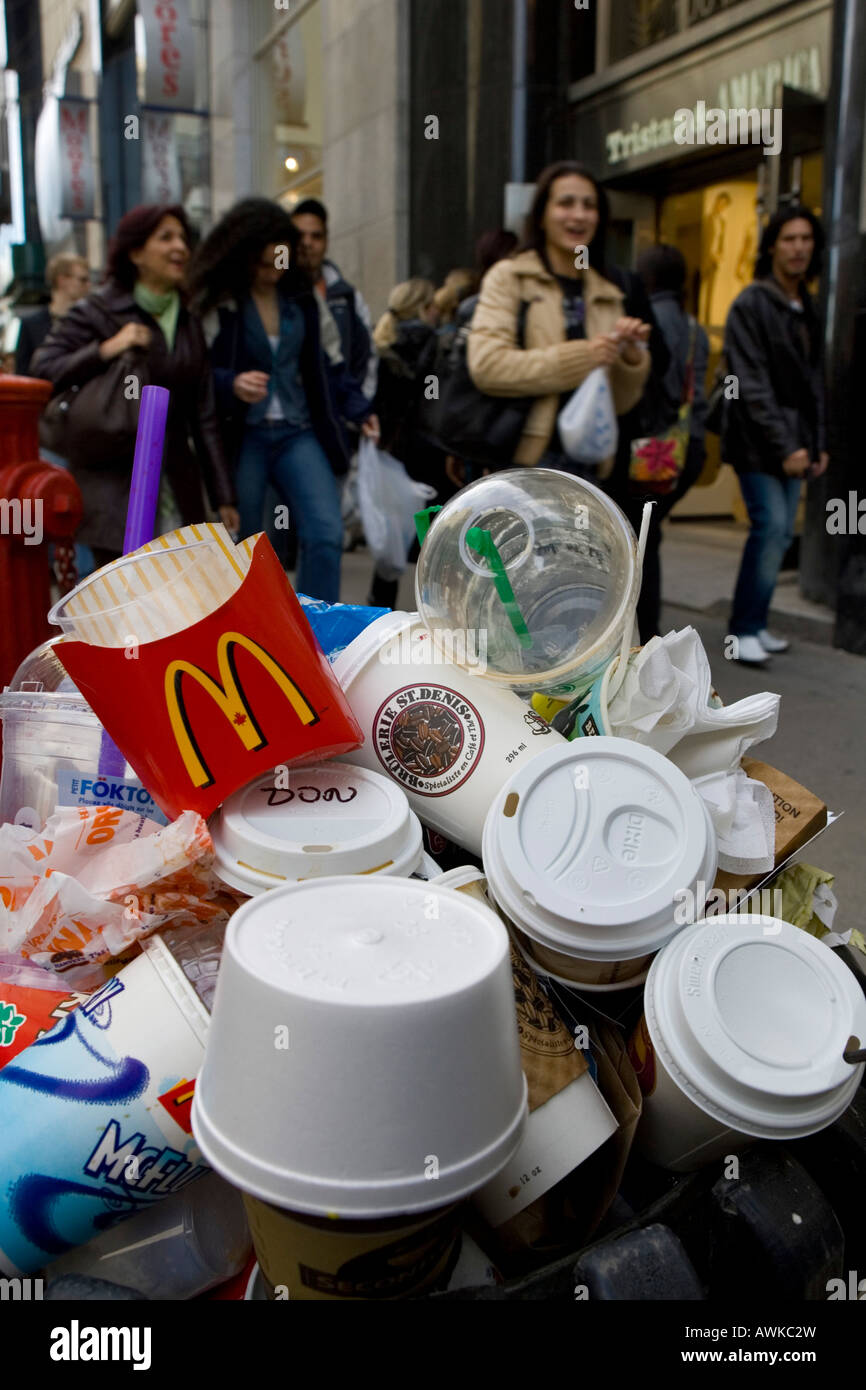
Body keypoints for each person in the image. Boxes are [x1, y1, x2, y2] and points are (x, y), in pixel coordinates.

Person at [188, 198, 379, 604]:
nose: (273, 270)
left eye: (280, 259)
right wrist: (231, 383)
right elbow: (196, 371)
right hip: (245, 435)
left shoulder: (304, 299)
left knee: (326, 531)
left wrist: (360, 410)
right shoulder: (223, 302)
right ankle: (249, 625)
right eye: (263, 262)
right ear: (244, 256)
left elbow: (332, 363)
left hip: (298, 431)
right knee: (245, 543)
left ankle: (315, 624)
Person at [31, 205, 237, 569]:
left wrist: (223, 496)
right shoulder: (98, 310)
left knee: (180, 594)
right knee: (124, 599)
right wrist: (107, 348)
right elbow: (43, 369)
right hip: (115, 490)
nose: (180, 247)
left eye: (183, 239)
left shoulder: (188, 321)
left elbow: (204, 416)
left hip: (177, 488)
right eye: (166, 238)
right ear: (136, 252)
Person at [468, 162, 652, 477]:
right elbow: (487, 366)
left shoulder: (607, 293)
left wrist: (631, 359)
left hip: (589, 465)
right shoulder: (510, 277)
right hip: (523, 464)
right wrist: (585, 357)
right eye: (566, 203)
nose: (579, 215)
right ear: (541, 215)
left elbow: (618, 404)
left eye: (589, 206)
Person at [722, 204, 827, 666]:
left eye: (806, 239)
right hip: (757, 441)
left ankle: (756, 623)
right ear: (771, 247)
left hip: (796, 442)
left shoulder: (808, 306)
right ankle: (743, 629)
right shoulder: (752, 303)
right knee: (770, 528)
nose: (798, 247)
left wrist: (817, 443)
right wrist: (786, 446)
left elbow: (816, 383)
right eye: (789, 239)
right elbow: (751, 383)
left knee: (781, 534)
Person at [633, 243, 710, 638]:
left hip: (651, 452)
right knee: (650, 534)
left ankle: (644, 631)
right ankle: (648, 630)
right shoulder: (695, 328)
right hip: (688, 447)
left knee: (640, 537)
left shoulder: (648, 322)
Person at [367, 278, 446, 608]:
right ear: (426, 308)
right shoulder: (434, 342)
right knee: (436, 539)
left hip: (390, 452)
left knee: (393, 536)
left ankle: (379, 612)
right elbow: (436, 398)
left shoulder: (380, 343)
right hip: (429, 449)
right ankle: (436, 612)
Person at [291, 197, 378, 402]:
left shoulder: (347, 296)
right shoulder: (275, 293)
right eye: (299, 235)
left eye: (316, 236)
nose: (307, 243)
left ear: (326, 242)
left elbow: (366, 355)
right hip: (291, 415)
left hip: (338, 413)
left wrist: (358, 405)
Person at [15, 254, 90, 376]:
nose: (88, 285)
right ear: (62, 280)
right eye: (83, 280)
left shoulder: (89, 321)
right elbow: (23, 374)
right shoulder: (30, 325)